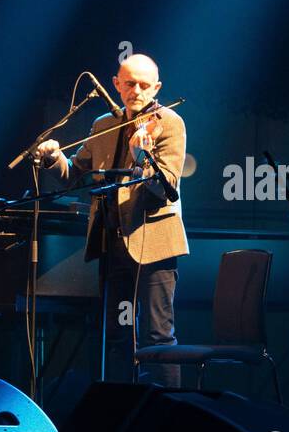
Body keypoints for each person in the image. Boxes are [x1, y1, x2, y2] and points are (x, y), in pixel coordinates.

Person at [37, 54, 187, 386]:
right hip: (112, 242)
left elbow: (167, 189)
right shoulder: (104, 124)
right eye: (130, 83)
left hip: (154, 243)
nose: (137, 91)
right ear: (116, 84)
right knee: (117, 335)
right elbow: (75, 175)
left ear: (157, 87)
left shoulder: (169, 122)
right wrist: (54, 157)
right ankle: (120, 411)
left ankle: (169, 413)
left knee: (157, 335)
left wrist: (140, 157)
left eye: (145, 85)